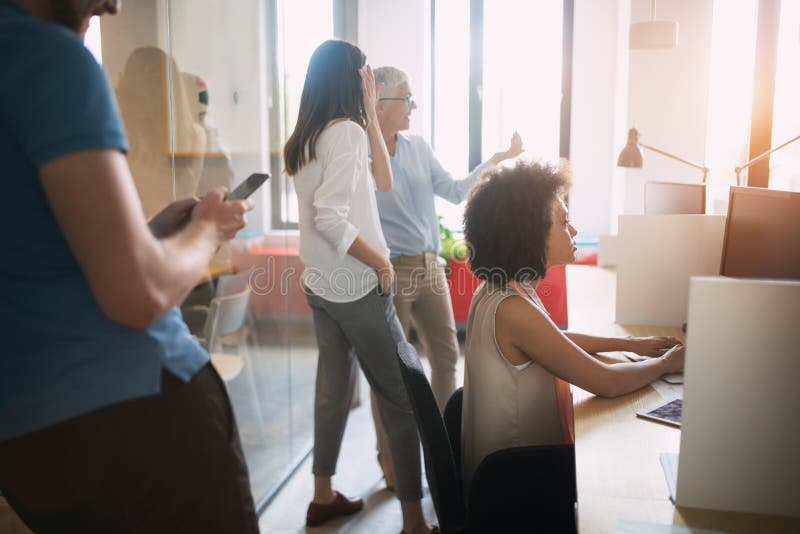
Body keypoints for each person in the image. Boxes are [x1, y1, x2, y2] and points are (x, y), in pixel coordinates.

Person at [0, 1, 259, 532]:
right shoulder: (51, 60)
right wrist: (207, 230)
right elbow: (140, 294)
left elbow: (35, 247)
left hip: (26, 442)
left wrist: (144, 236)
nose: (115, 6)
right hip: (138, 414)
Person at [460, 161, 685, 493]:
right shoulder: (512, 309)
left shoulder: (499, 289)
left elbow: (553, 341)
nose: (575, 231)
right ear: (529, 235)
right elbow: (606, 382)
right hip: (514, 487)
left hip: (506, 472)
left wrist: (629, 345)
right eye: (564, 223)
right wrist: (666, 364)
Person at [284, 41, 435, 533]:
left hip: (320, 285)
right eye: (365, 76)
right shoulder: (344, 134)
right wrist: (381, 261)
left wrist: (370, 115)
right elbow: (330, 217)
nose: (370, 83)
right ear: (352, 79)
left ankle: (322, 496)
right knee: (400, 398)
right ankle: (413, 519)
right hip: (356, 288)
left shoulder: (307, 137)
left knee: (332, 391)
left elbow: (383, 183)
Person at [369, 65, 523, 488]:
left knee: (446, 358)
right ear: (379, 102)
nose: (413, 106)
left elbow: (455, 191)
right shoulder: (360, 153)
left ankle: (440, 448)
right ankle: (390, 454)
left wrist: (496, 161)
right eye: (406, 98)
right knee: (392, 373)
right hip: (389, 271)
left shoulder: (418, 147)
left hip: (429, 266)